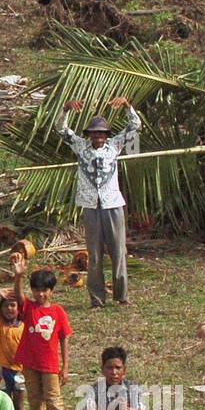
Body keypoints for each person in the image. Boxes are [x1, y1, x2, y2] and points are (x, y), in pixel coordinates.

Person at [58, 97, 142, 307]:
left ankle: (121, 296)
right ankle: (97, 299)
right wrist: (65, 108)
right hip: (90, 206)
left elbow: (135, 125)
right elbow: (61, 129)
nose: (98, 136)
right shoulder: (80, 147)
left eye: (101, 133)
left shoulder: (114, 146)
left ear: (106, 135)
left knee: (118, 252)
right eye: (94, 133)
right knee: (94, 256)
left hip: (113, 204)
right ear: (89, 134)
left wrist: (126, 106)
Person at [10, 254, 73, 410]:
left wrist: (65, 367)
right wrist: (18, 276)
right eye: (36, 290)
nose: (40, 294)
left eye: (44, 290)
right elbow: (18, 297)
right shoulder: (28, 308)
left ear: (51, 291)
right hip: (29, 364)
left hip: (49, 366)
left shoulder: (58, 311)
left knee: (55, 404)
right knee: (36, 405)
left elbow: (64, 339)